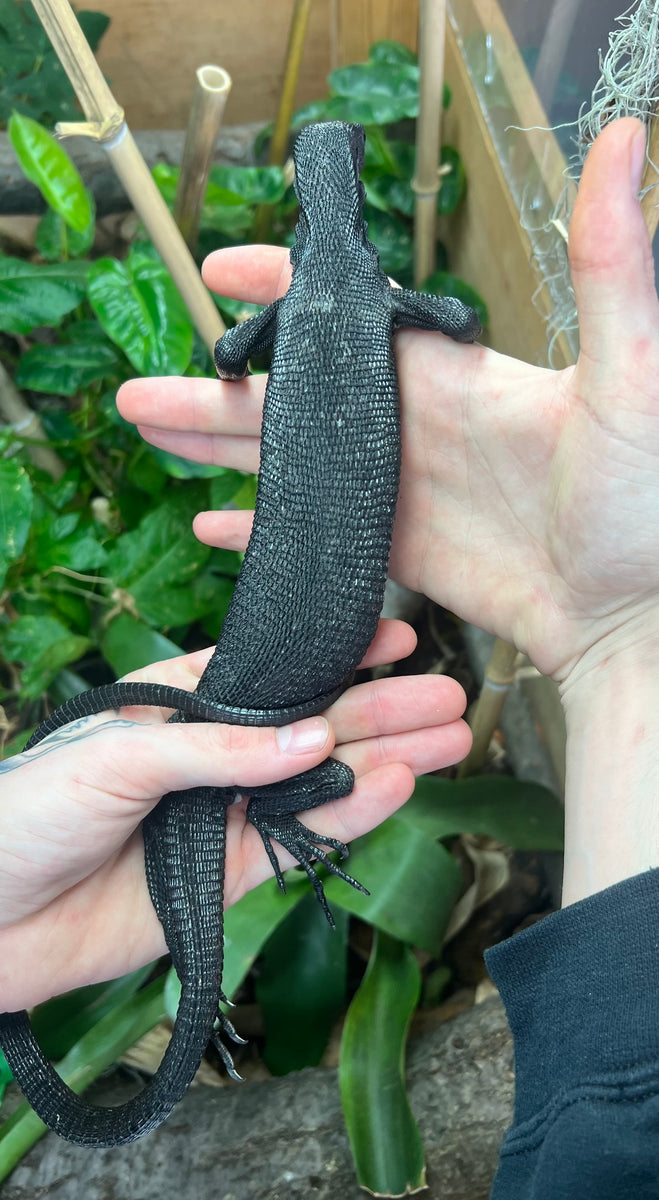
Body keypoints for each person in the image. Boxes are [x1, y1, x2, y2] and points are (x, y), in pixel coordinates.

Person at [1, 115, 657, 1194]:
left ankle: (253, 848)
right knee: (244, 759)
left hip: (282, 657)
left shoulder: (292, 305)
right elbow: (451, 312)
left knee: (259, 752)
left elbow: (225, 354)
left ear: (307, 209)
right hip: (287, 661)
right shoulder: (383, 302)